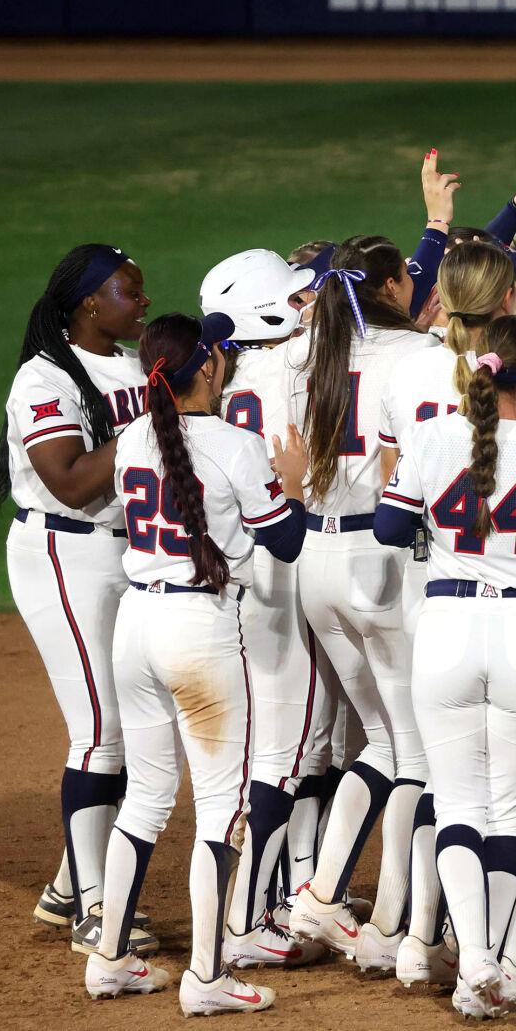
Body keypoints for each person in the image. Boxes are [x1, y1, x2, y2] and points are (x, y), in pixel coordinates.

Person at [83, 311, 311, 1015]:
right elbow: (286, 541)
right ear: (207, 367)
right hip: (199, 633)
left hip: (135, 626)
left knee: (146, 796)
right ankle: (207, 977)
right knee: (221, 807)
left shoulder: (130, 438)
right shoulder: (236, 446)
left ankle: (110, 959)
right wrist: (294, 484)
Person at [375, 315, 516, 1021]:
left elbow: (388, 526)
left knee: (456, 805)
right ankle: (496, 962)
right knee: (508, 810)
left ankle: (473, 959)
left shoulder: (431, 436)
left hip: (445, 628)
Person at [0, 245, 154, 955]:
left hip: (130, 551)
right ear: (88, 304)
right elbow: (74, 482)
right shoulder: (45, 378)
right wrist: (152, 419)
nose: (144, 301)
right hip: (64, 552)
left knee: (138, 729)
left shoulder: (137, 367)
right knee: (101, 732)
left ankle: (64, 887)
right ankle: (94, 909)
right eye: (129, 292)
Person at [283, 237, 439, 970]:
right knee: (421, 751)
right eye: (408, 275)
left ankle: (324, 896)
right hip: (382, 562)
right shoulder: (414, 355)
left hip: (316, 560)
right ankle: (387, 925)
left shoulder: (306, 352)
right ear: (390, 284)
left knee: (385, 741)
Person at [197, 249, 330, 971]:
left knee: (269, 751)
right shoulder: (292, 362)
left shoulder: (223, 377)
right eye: (295, 297)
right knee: (282, 755)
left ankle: (269, 901)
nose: (308, 305)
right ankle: (248, 920)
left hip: (236, 579)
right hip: (284, 578)